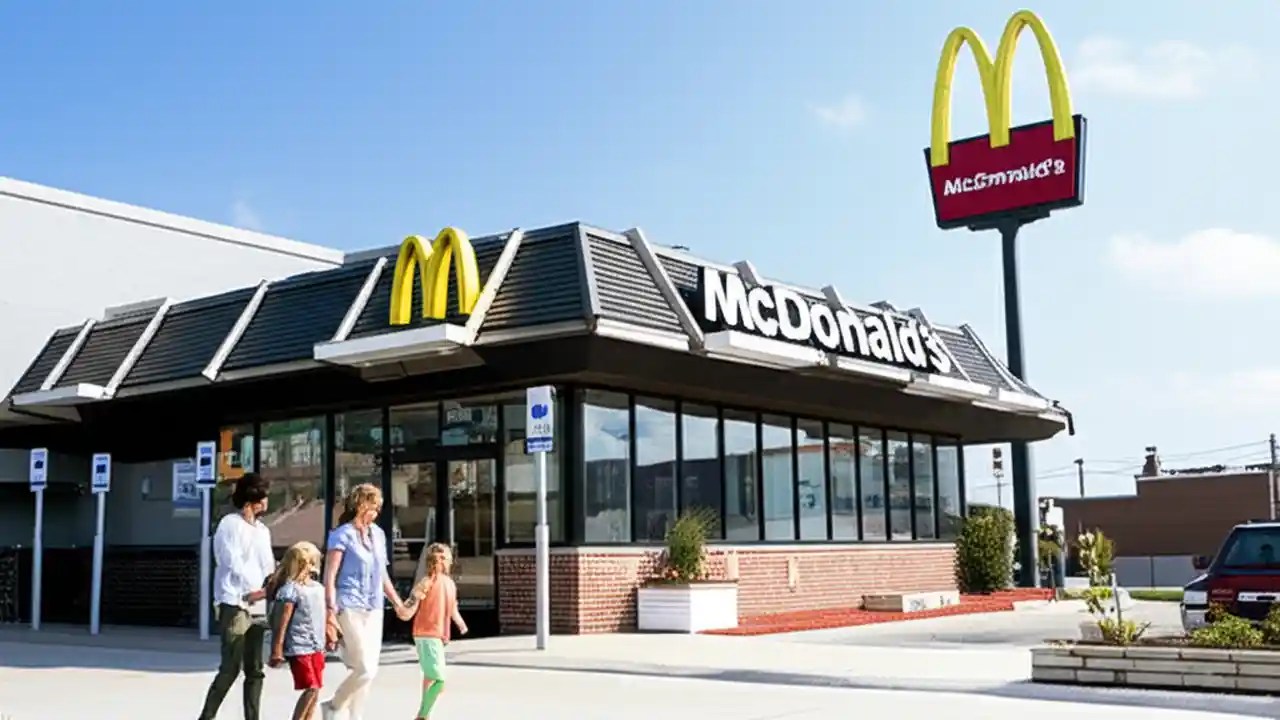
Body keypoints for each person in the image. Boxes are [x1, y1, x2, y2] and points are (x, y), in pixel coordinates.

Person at [320, 483, 404, 720]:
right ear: (360, 504)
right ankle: (334, 707)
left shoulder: (378, 534)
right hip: (348, 605)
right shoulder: (341, 535)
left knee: (369, 671)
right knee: (364, 669)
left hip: (374, 607)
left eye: (378, 508)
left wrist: (397, 603)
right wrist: (329, 610)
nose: (376, 512)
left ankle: (355, 717)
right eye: (372, 506)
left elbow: (382, 574)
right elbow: (330, 576)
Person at [197, 473, 276, 720]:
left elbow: (267, 564)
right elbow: (228, 561)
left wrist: (271, 585)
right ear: (253, 497)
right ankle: (207, 716)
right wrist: (249, 589)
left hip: (258, 601)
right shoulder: (229, 524)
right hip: (235, 601)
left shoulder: (262, 530)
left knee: (255, 669)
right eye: (264, 496)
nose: (267, 501)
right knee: (230, 667)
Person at [394, 542, 468, 720]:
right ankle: (422, 715)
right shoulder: (426, 583)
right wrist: (404, 611)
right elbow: (412, 605)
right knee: (439, 679)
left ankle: (425, 712)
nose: (441, 561)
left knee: (431, 678)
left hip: (436, 636)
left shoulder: (449, 584)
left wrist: (460, 624)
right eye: (438, 558)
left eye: (444, 558)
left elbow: (452, 609)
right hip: (427, 635)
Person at [268, 541, 332, 720]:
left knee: (316, 689)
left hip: (317, 646)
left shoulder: (318, 589)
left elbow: (322, 615)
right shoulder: (289, 591)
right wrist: (277, 649)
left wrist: (329, 633)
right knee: (311, 687)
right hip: (299, 646)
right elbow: (282, 621)